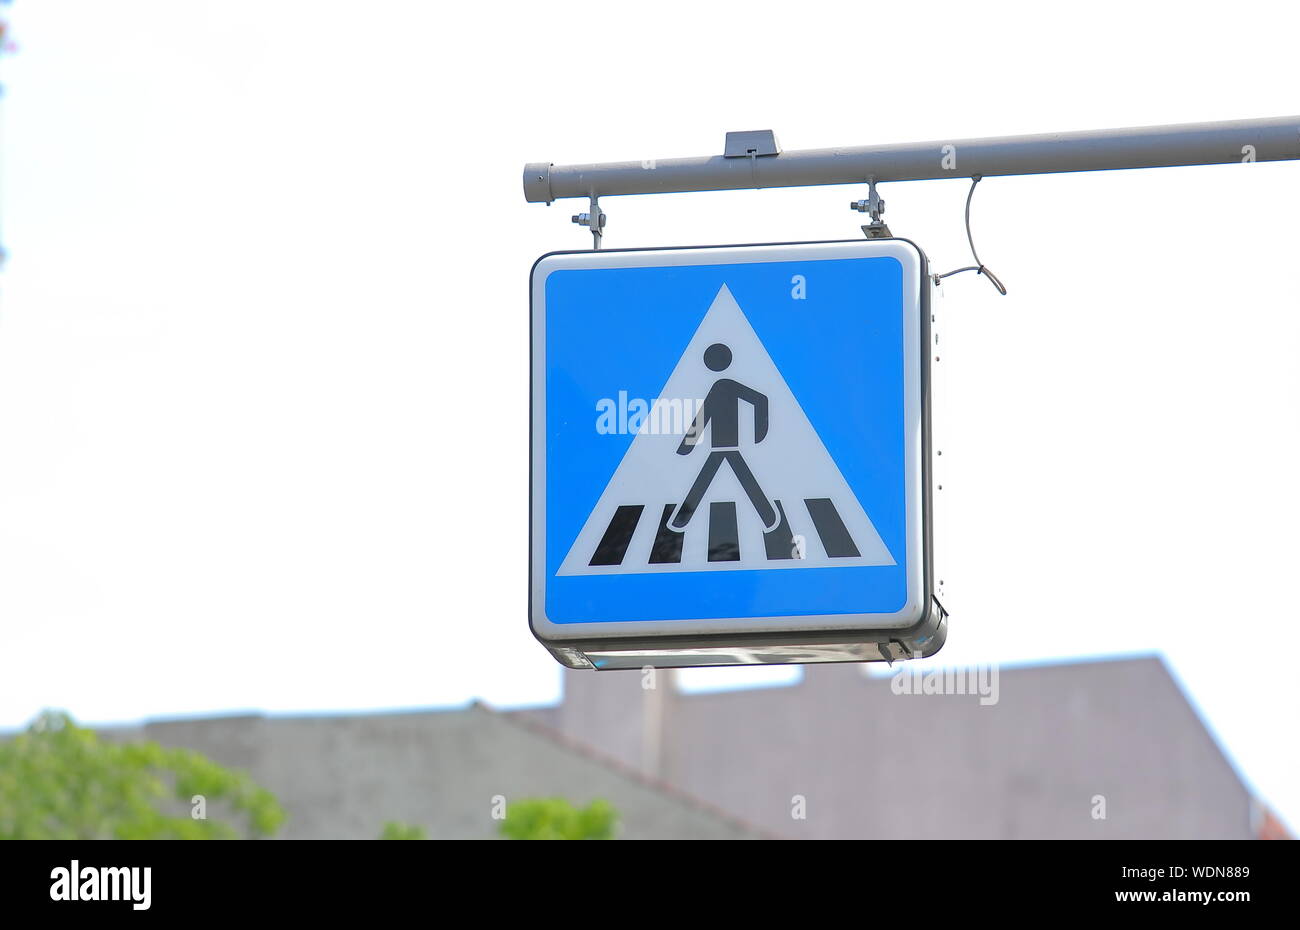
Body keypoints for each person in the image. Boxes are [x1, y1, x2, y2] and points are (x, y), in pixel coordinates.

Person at [670, 343, 778, 530]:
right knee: (720, 479)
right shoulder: (723, 385)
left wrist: (759, 433)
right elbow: (704, 416)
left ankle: (682, 520)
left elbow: (703, 417)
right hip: (721, 445)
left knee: (710, 480)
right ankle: (768, 518)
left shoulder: (723, 386)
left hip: (725, 445)